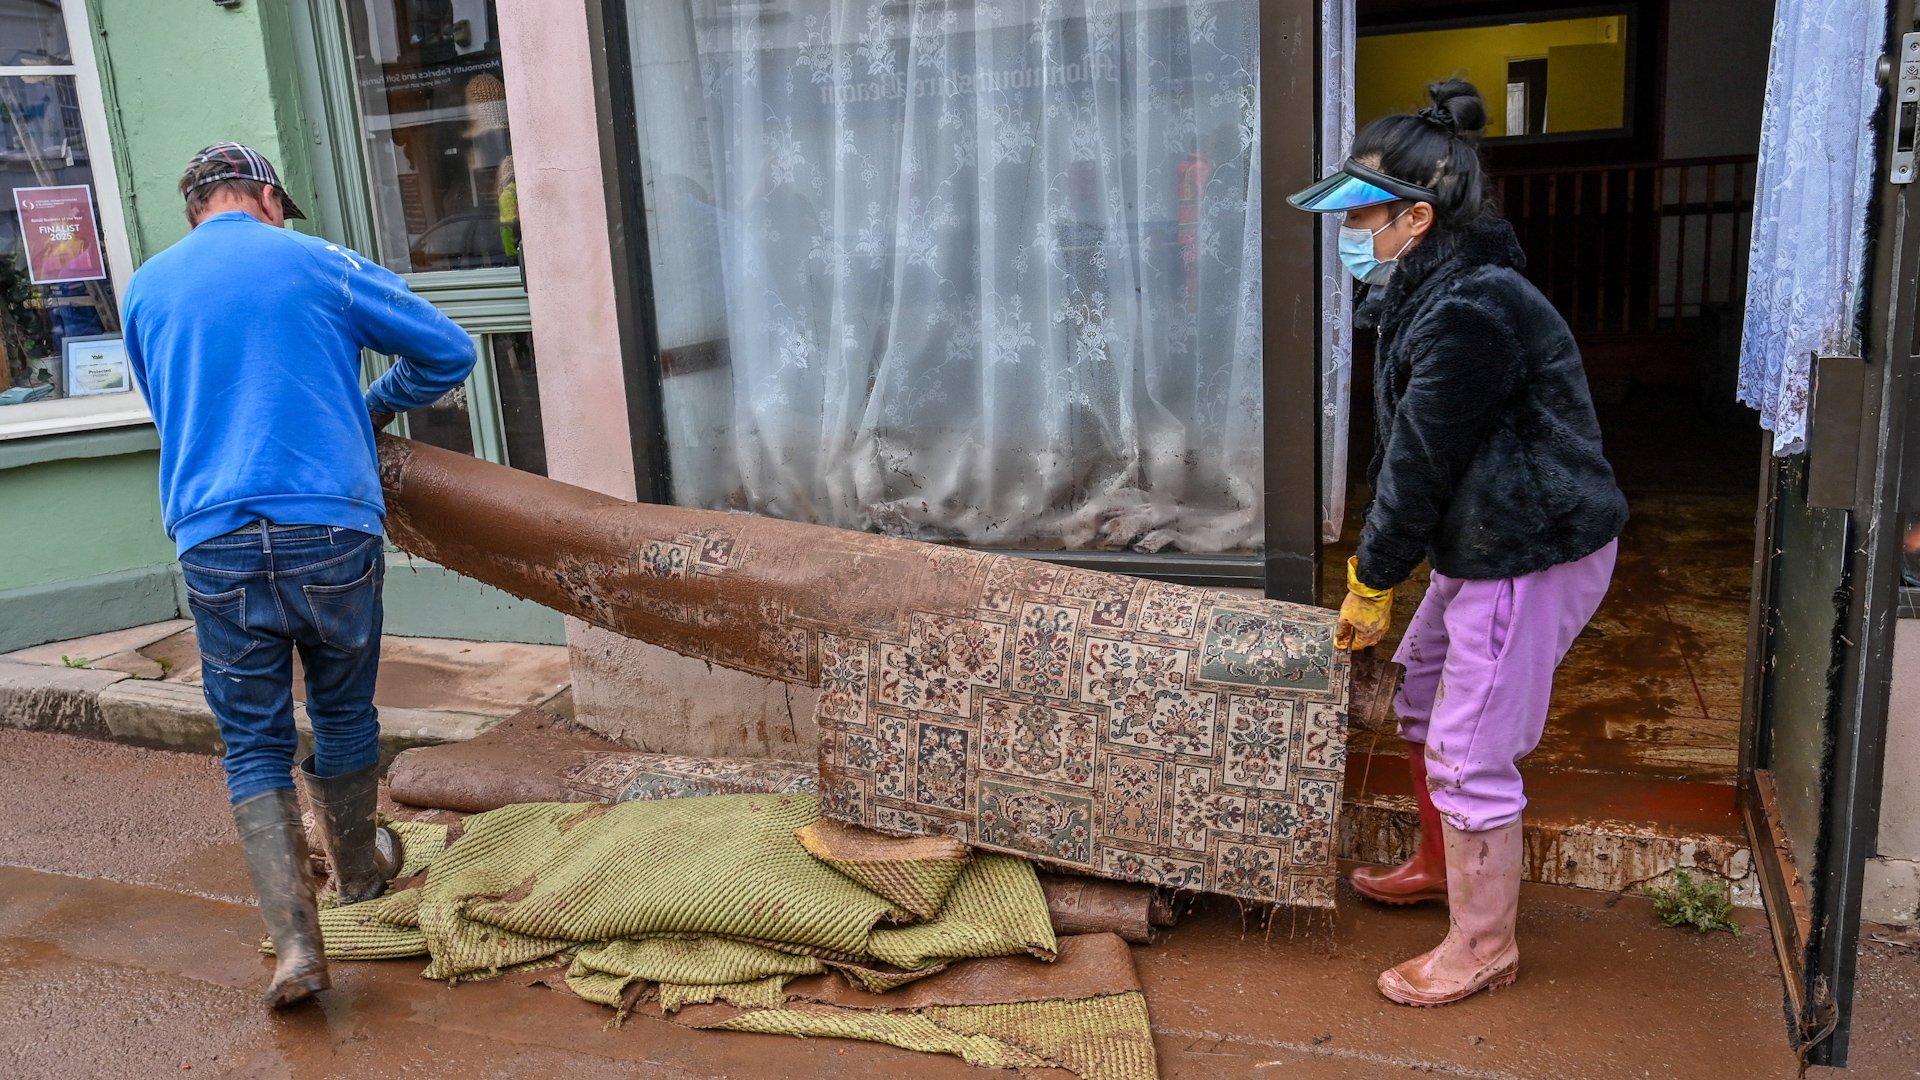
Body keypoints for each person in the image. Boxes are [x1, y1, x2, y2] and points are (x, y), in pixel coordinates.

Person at [1288, 82, 1628, 1006]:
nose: (1350, 235)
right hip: (1479, 540)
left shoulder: (1472, 311)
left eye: (1362, 218)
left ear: (1419, 217)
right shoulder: (1426, 288)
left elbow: (1419, 461)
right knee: (1423, 694)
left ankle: (1484, 945)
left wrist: (1371, 576)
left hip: (1528, 546)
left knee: (1472, 750)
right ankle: (1444, 868)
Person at [124, 143, 477, 1008]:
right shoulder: (319, 262)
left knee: (252, 742)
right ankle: (359, 878)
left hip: (213, 536)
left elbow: (166, 402)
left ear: (195, 208)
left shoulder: (147, 286)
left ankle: (295, 946)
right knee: (343, 709)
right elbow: (449, 352)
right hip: (329, 526)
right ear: (270, 197)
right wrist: (371, 405)